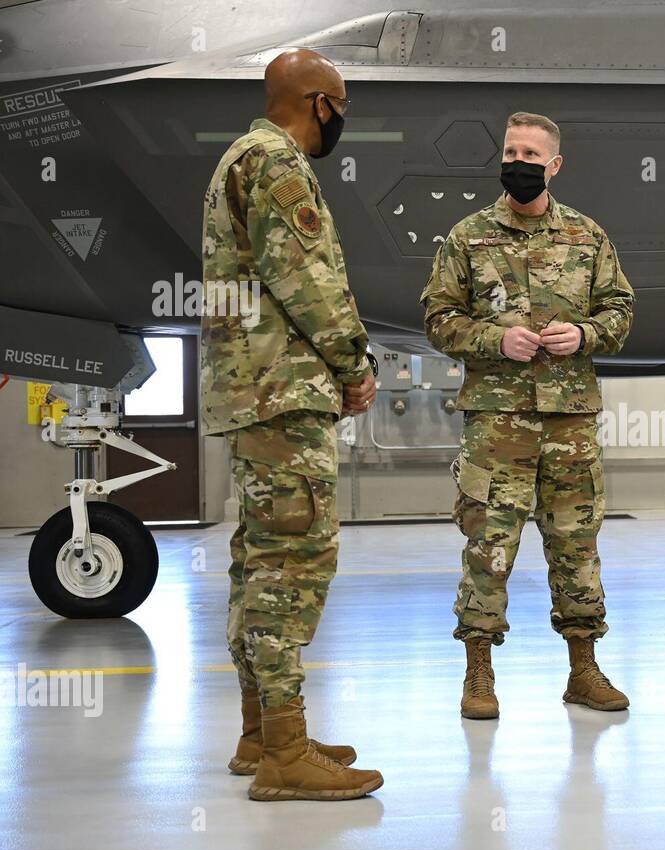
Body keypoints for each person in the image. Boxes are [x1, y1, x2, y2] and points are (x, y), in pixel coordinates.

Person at [201, 49, 383, 798]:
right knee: (293, 563)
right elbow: (305, 279)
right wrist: (354, 363)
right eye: (340, 107)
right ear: (318, 104)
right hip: (284, 391)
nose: (341, 121)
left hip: (252, 393)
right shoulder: (278, 164)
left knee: (259, 560)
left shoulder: (236, 159)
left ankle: (260, 733)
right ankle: (283, 755)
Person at [421, 111, 635, 720]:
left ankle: (583, 670)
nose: (518, 162)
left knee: (577, 546)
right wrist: (495, 340)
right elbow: (438, 319)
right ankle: (479, 673)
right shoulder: (467, 237)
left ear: (554, 166)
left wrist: (587, 333)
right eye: (510, 151)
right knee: (489, 546)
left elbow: (622, 310)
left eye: (530, 154)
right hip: (498, 424)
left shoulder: (588, 237)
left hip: (570, 422)